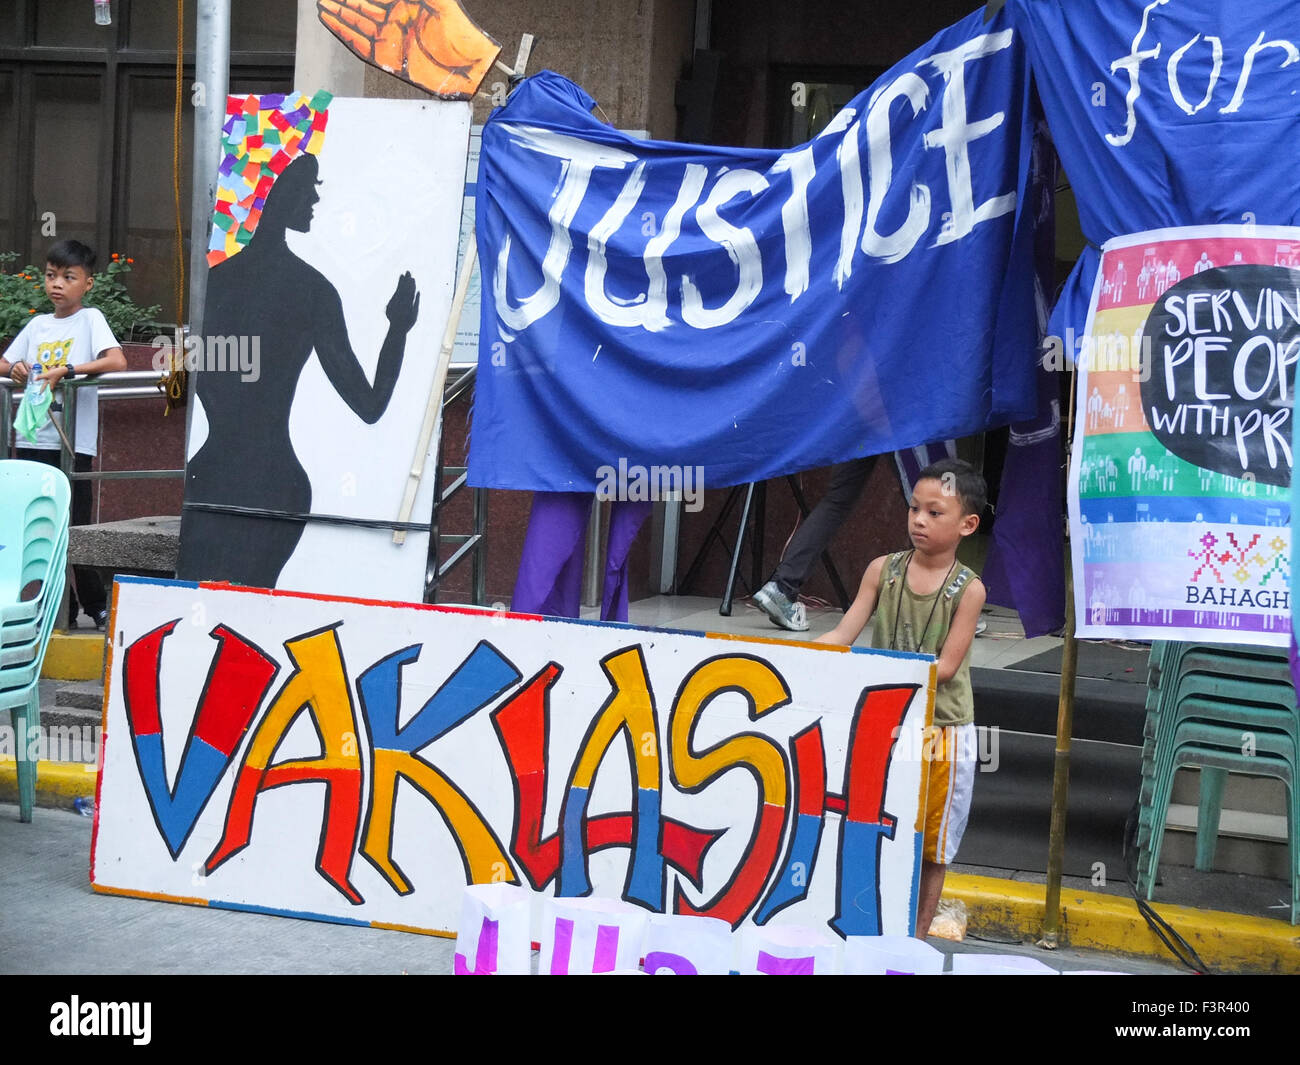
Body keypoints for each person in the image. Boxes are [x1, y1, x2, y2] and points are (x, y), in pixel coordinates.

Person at [176, 151, 419, 588]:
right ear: (278, 194)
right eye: (308, 188)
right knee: (251, 611)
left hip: (213, 477)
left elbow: (181, 386)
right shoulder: (312, 290)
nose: (314, 200)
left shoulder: (214, 284)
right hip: (273, 481)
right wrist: (397, 330)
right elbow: (369, 404)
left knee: (202, 603)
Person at [815, 457, 987, 940]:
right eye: (914, 508)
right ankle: (863, 920)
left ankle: (916, 933)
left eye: (935, 512)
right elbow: (844, 632)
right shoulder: (882, 570)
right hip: (883, 722)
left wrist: (878, 671)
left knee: (933, 841)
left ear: (967, 525)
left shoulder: (968, 590)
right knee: (870, 820)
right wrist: (801, 655)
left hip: (942, 732)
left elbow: (947, 667)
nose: (919, 520)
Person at [0, 239, 128, 629]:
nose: (57, 284)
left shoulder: (90, 320)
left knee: (77, 526)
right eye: (51, 275)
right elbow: (5, 363)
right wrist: (17, 370)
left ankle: (95, 604)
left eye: (68, 277)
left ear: (87, 283)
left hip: (72, 445)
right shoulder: (38, 325)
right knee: (40, 528)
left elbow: (117, 360)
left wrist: (68, 371)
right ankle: (60, 605)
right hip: (33, 439)